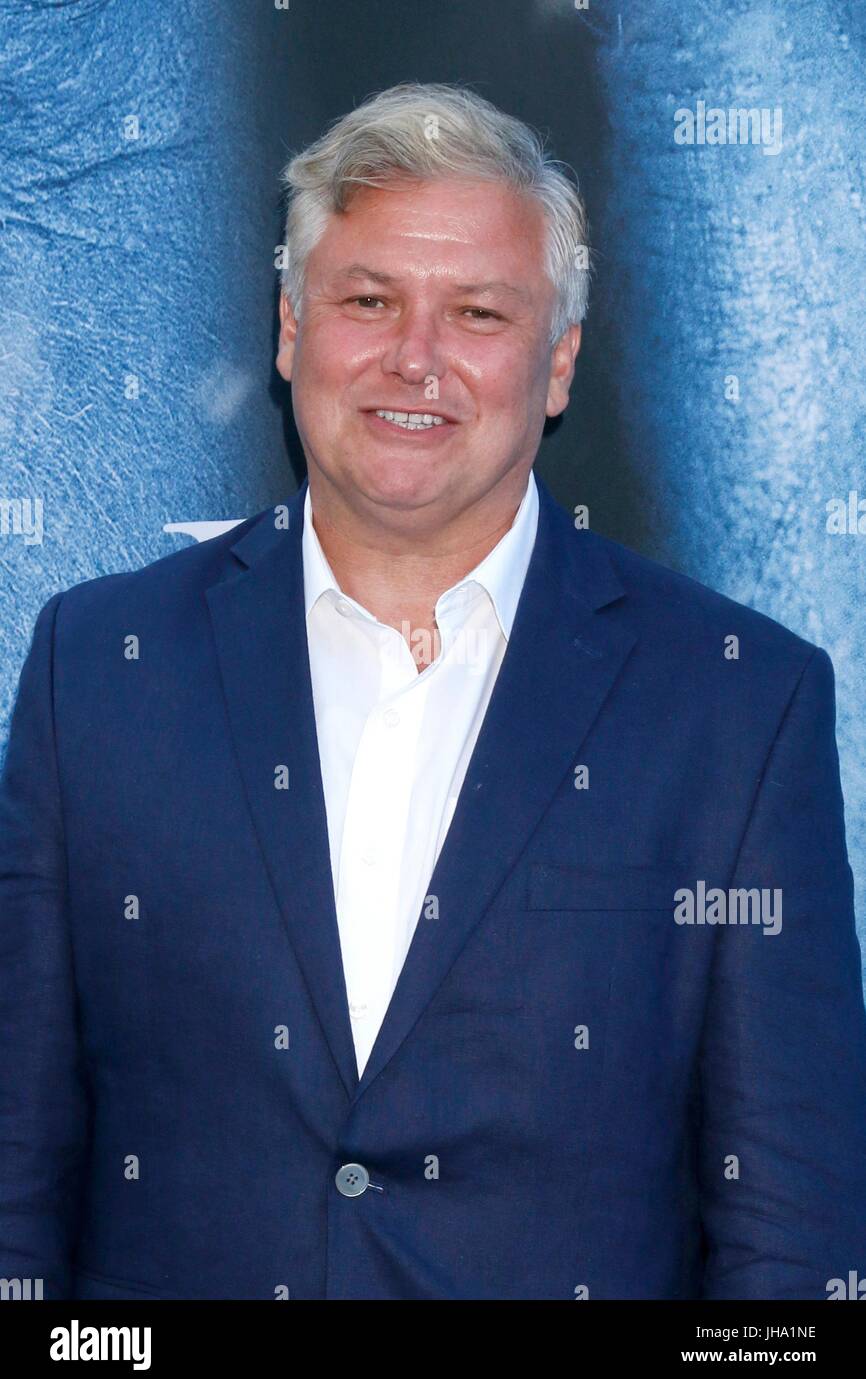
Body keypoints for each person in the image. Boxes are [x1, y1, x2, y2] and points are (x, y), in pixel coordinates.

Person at [1, 81, 865, 1301]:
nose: (414, 357)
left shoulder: (737, 706)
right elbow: (16, 1166)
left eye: (475, 312)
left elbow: (790, 1226)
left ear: (556, 363)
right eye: (366, 301)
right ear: (290, 328)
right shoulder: (98, 667)